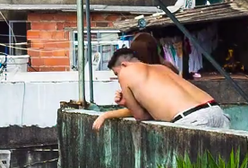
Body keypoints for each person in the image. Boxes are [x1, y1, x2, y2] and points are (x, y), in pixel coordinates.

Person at [92, 48, 230, 131]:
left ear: (124, 64)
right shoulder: (161, 68)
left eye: (116, 74)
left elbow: (140, 116)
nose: (118, 78)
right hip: (216, 111)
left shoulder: (126, 73)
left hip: (192, 119)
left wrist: (123, 104)